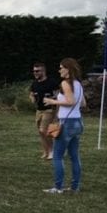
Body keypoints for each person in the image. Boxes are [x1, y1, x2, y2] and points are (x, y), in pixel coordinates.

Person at [42, 58, 86, 193]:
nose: (59, 70)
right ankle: (75, 187)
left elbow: (71, 101)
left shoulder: (66, 83)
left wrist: (52, 101)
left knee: (57, 156)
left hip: (66, 123)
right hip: (78, 122)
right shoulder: (78, 83)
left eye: (61, 67)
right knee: (74, 156)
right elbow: (82, 103)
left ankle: (58, 187)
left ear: (68, 69)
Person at [29, 62, 59, 160]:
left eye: (37, 71)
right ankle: (46, 152)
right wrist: (32, 97)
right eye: (34, 71)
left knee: (44, 130)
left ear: (43, 71)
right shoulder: (34, 83)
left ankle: (51, 151)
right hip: (39, 110)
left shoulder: (52, 82)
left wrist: (57, 112)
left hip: (49, 110)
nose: (35, 73)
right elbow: (31, 93)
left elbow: (58, 96)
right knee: (40, 132)